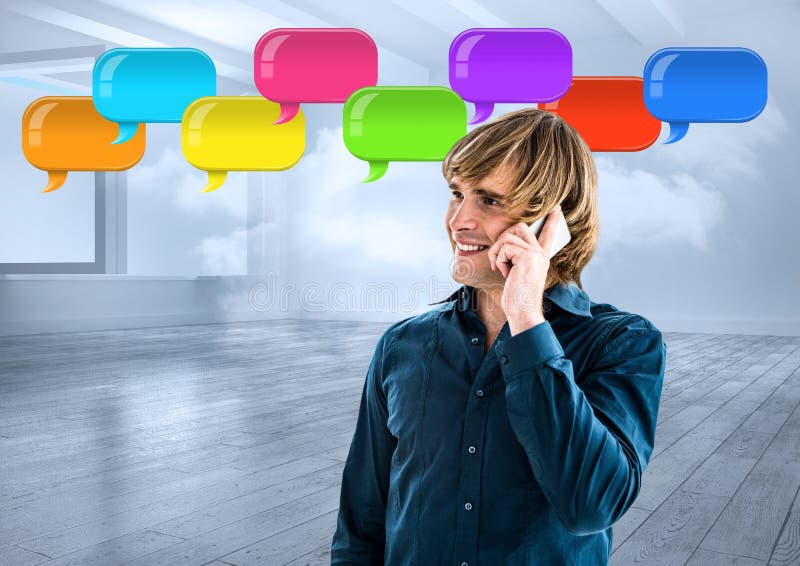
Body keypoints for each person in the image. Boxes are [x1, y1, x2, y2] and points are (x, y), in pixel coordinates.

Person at [330, 108, 667, 565]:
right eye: (456, 194)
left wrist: (526, 316)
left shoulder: (623, 343)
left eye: (488, 201)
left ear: (553, 223)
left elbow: (593, 506)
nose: (458, 220)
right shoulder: (401, 346)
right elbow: (361, 521)